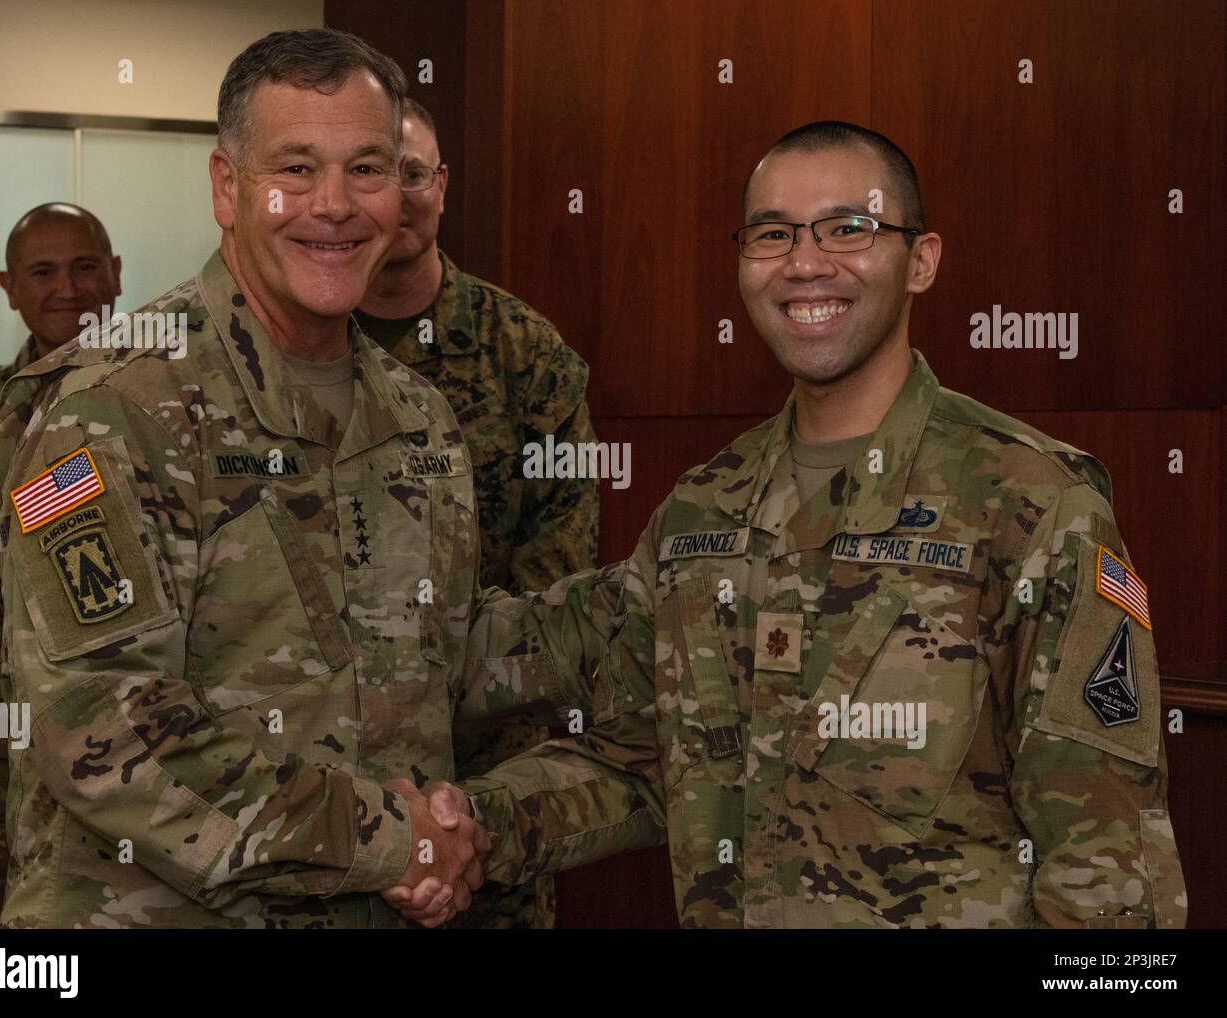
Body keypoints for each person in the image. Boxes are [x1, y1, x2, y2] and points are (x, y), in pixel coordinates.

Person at [386, 121, 1189, 929]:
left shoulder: (1034, 504)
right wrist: (470, 829)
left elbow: (1107, 864)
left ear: (922, 260)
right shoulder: (702, 510)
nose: (806, 262)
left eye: (850, 227)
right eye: (773, 234)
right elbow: (639, 756)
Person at [0, 28, 600, 929]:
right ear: (228, 187)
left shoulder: (418, 417)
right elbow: (108, 731)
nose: (335, 206)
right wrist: (397, 839)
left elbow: (439, 653)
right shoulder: (108, 408)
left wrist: (662, 608)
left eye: (368, 169)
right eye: (295, 170)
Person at [355, 98, 598, 929]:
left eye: (415, 173)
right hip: (325, 767)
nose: (402, 195)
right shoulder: (298, 343)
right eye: (378, 173)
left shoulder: (525, 352)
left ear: (443, 186)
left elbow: (561, 560)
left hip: (484, 770)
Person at [0, 203, 121, 927]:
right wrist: (75, 599)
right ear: (10, 286)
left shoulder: (166, 402)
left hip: (127, 722)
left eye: (84, 266)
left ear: (117, 275)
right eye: (43, 271)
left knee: (95, 907)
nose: (66, 288)